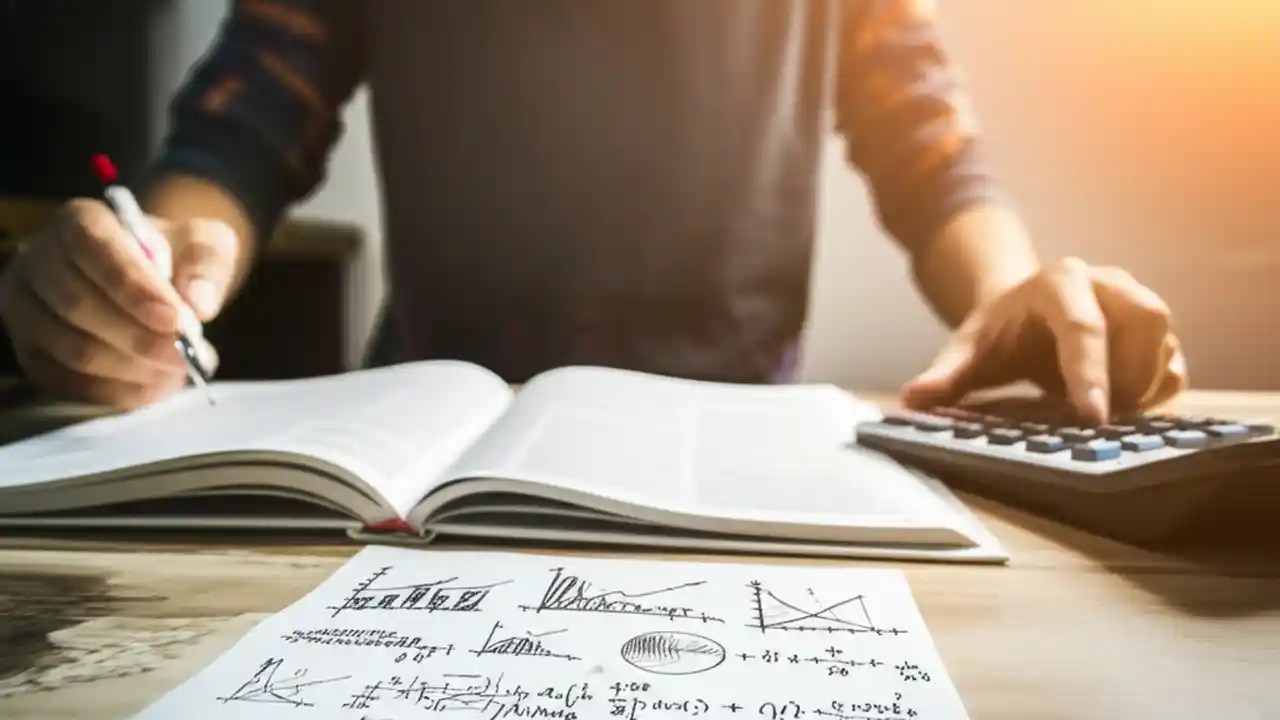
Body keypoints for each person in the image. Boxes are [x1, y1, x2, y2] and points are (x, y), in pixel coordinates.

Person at [0, 1, 1185, 421]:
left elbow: (931, 154)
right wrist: (151, 259)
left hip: (723, 446)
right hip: (423, 455)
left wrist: (1007, 299)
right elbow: (244, 120)